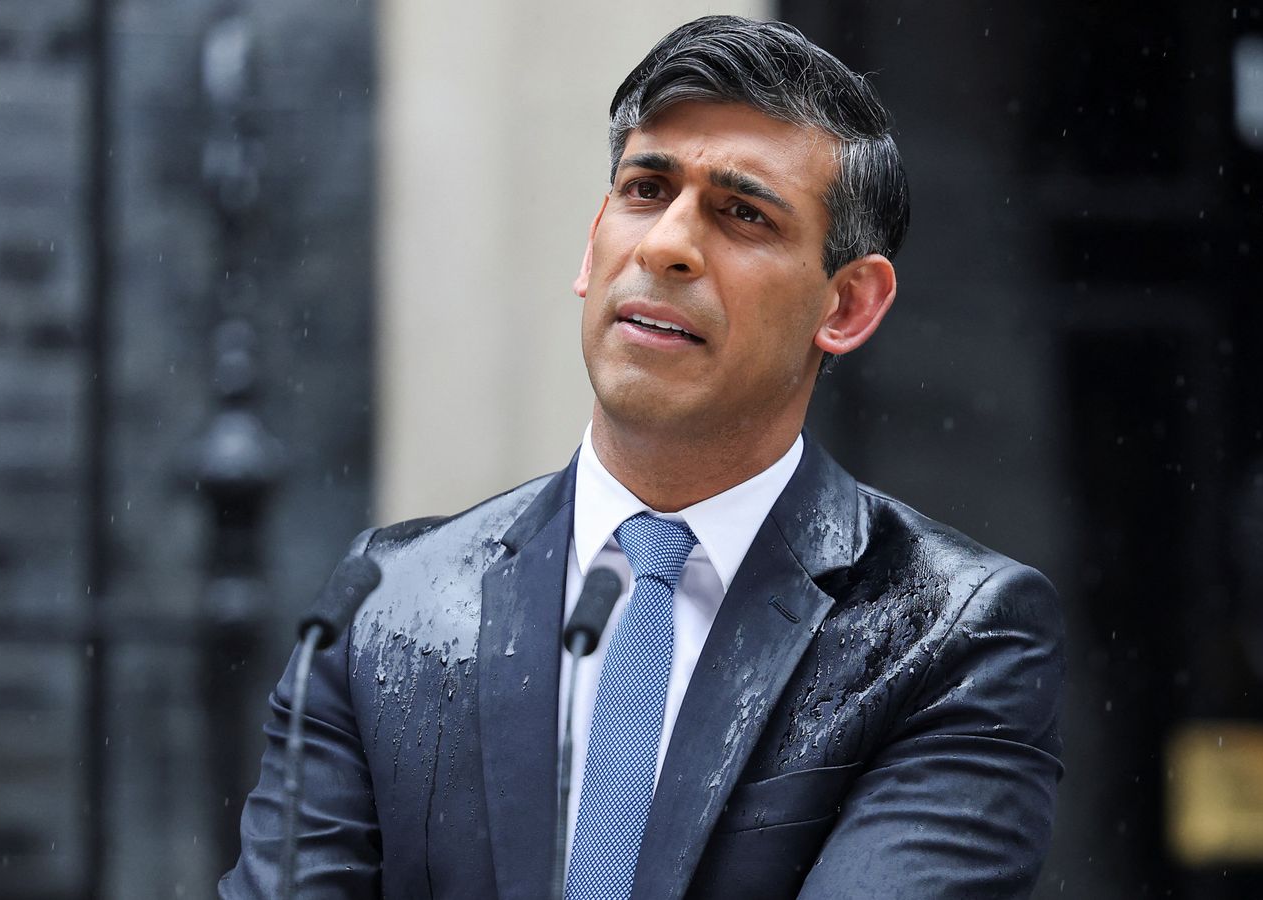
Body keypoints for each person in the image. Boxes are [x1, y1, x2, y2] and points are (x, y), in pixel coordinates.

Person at [221, 15, 1063, 900]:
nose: (665, 244)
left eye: (742, 213)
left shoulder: (955, 633)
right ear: (593, 247)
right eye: (646, 188)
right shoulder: (386, 603)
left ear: (848, 305)